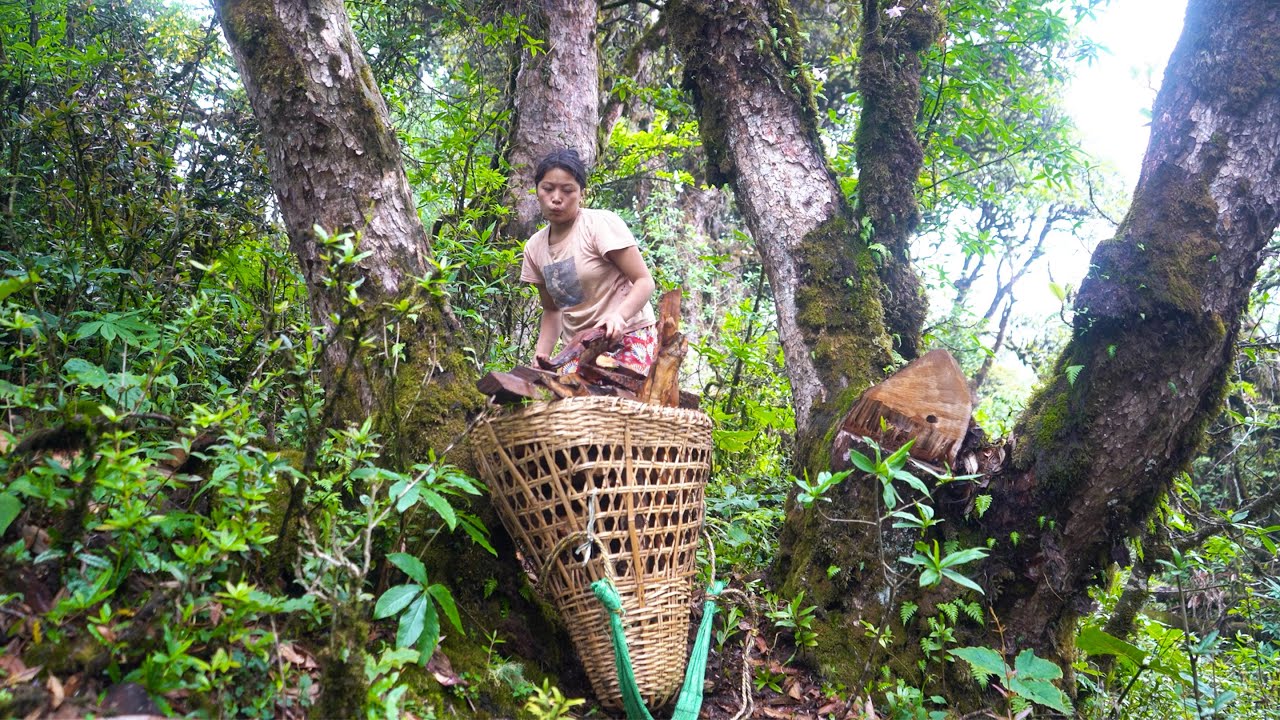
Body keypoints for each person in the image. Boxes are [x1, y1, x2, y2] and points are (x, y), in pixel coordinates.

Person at [520, 148, 657, 374]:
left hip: (628, 335)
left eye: (567, 190)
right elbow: (552, 310)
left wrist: (619, 316)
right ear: (537, 191)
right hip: (577, 349)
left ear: (581, 194)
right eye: (547, 189)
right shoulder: (534, 248)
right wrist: (540, 359)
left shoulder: (599, 225)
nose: (556, 198)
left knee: (610, 403)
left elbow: (644, 281)